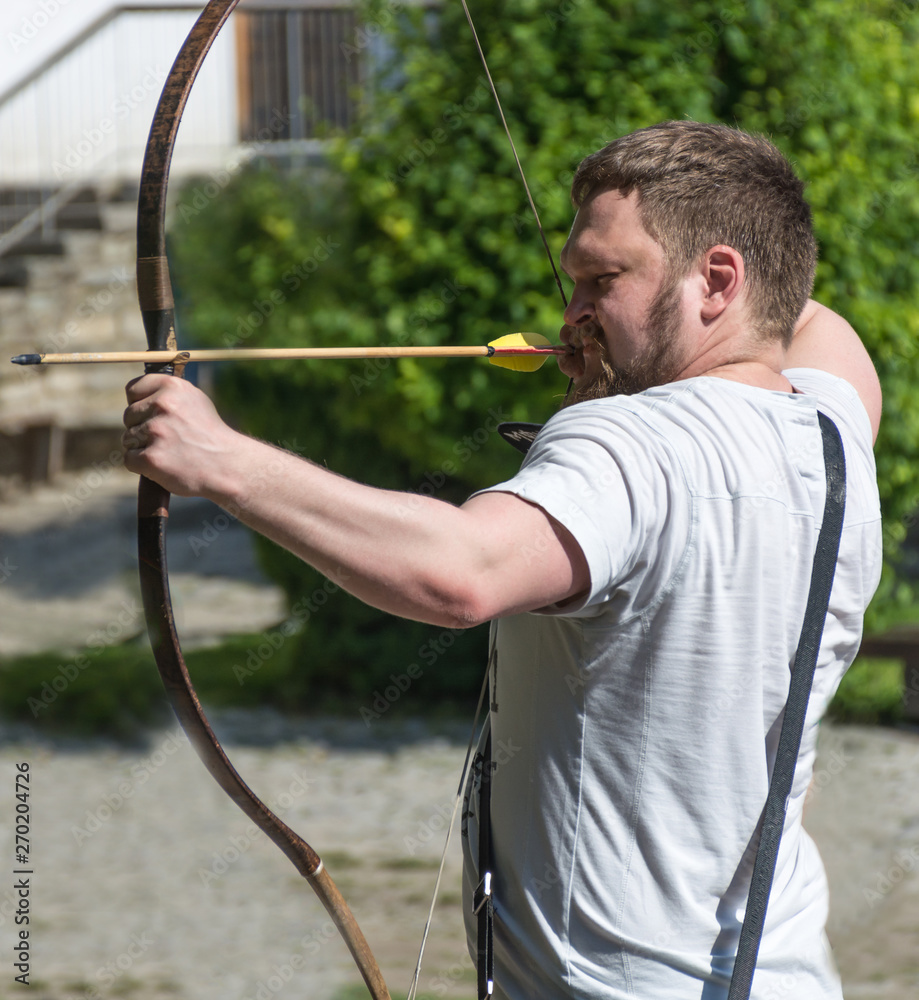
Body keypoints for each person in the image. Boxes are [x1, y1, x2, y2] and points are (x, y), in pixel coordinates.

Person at [123, 120, 882, 999]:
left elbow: (459, 572)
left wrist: (219, 459)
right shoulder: (832, 430)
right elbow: (811, 318)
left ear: (717, 280)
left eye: (601, 279)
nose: (572, 313)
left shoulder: (629, 440)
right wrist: (629, 319)